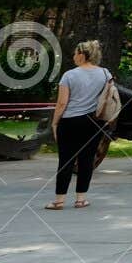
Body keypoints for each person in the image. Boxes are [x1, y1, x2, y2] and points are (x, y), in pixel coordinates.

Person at [47, 40, 113, 211]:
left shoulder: (69, 75)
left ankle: (59, 200)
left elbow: (62, 103)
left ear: (82, 55)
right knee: (87, 160)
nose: (73, 56)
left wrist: (55, 122)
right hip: (94, 122)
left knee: (66, 160)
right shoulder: (105, 73)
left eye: (76, 53)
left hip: (70, 121)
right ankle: (81, 199)